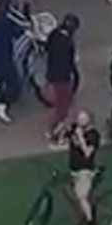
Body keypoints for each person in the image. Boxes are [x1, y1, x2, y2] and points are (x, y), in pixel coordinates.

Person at [44, 13, 81, 145]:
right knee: (62, 108)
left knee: (62, 104)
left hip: (52, 74)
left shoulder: (54, 34)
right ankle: (54, 132)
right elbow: (70, 63)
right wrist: (76, 77)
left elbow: (47, 48)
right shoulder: (68, 43)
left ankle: (57, 130)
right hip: (62, 77)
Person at [67, 110, 101, 225]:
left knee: (82, 196)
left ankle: (91, 222)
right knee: (76, 196)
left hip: (85, 171)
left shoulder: (93, 135)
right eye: (79, 119)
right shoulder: (75, 129)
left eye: (83, 119)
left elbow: (87, 153)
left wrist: (81, 138)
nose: (80, 122)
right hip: (74, 169)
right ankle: (84, 215)